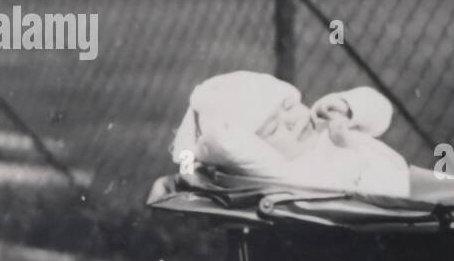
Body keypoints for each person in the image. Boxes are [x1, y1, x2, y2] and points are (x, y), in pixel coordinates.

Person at [169, 70, 410, 197]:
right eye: (273, 128)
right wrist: (191, 142)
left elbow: (381, 111)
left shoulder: (325, 125)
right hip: (400, 211)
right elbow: (222, 142)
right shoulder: (286, 173)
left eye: (289, 106)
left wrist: (347, 106)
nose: (294, 120)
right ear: (257, 149)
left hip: (411, 187)